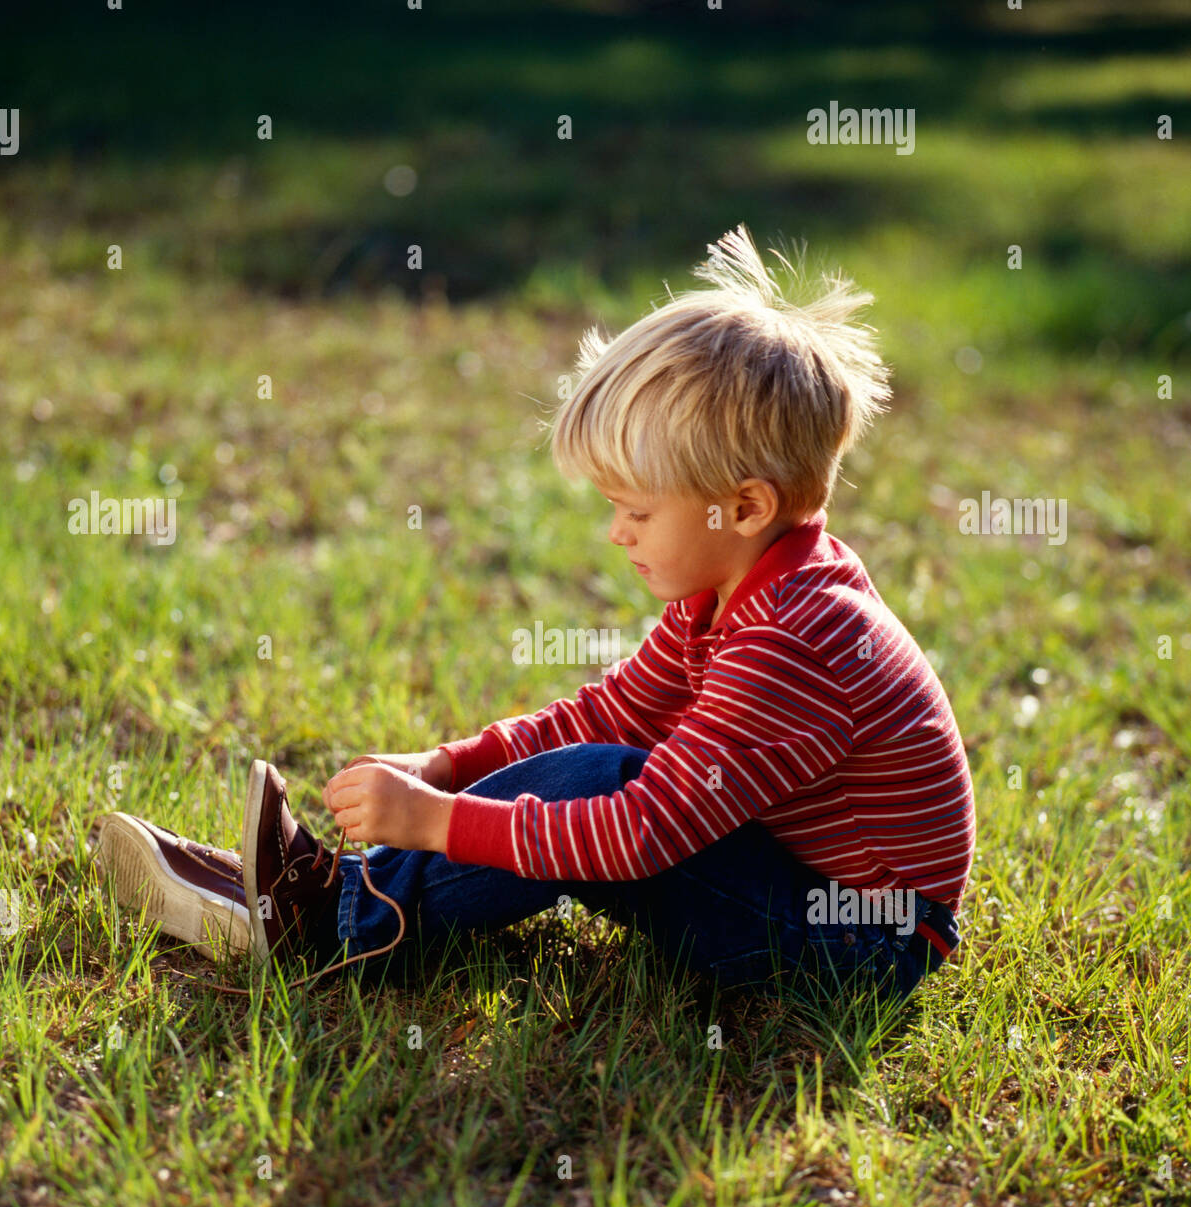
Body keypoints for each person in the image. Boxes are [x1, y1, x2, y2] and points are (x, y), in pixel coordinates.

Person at [97, 225, 975, 1008]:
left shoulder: (795, 637)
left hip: (862, 947)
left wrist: (436, 821)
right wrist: (452, 764)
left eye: (635, 510)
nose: (614, 532)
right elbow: (611, 714)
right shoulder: (733, 586)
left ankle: (332, 919)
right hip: (793, 884)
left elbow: (640, 831)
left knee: (598, 783)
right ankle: (341, 893)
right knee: (593, 761)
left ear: (743, 506)